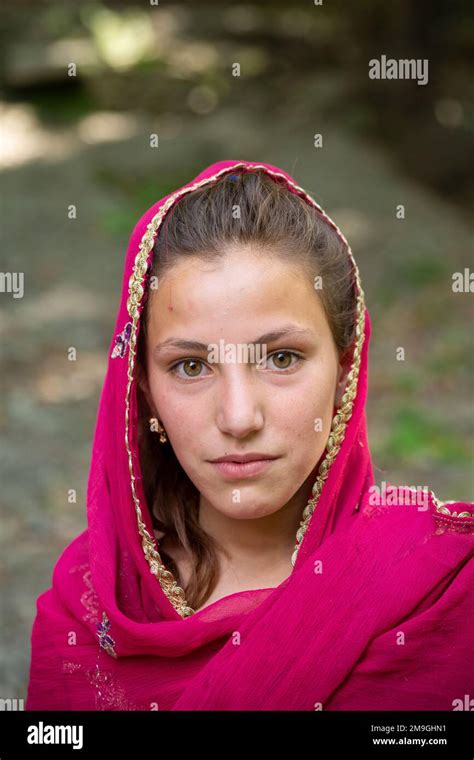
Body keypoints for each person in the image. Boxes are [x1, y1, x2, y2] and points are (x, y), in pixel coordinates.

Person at [26, 160, 473, 711]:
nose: (239, 418)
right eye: (191, 367)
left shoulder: (443, 589)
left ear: (346, 367)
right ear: (140, 388)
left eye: (281, 358)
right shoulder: (90, 606)